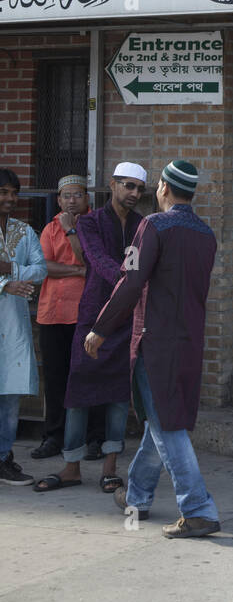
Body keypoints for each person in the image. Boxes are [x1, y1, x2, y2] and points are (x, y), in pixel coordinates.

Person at [84, 160, 220, 540]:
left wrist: (100, 328)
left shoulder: (151, 226)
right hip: (189, 342)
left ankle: (198, 508)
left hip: (154, 342)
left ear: (163, 187)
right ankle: (138, 497)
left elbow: (131, 282)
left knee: (167, 426)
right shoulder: (206, 234)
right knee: (158, 424)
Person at [33, 162, 146, 495]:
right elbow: (95, 259)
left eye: (139, 188)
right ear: (112, 184)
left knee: (117, 394)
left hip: (127, 317)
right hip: (93, 315)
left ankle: (110, 469)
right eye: (128, 186)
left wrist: (131, 291)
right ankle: (71, 467)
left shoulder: (143, 224)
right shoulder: (91, 222)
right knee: (77, 391)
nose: (134, 193)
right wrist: (128, 284)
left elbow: (143, 263)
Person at [33, 174, 101, 460]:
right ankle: (54, 436)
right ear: (58, 200)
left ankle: (95, 437)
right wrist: (76, 272)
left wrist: (72, 231)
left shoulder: (95, 226)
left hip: (84, 314)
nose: (72, 200)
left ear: (87, 199)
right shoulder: (49, 229)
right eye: (66, 196)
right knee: (55, 377)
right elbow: (43, 266)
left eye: (77, 195)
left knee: (89, 376)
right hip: (52, 313)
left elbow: (91, 261)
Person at [0, 167, 47, 487]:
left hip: (13, 325)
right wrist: (5, 285)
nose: (10, 199)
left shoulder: (24, 230)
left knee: (11, 396)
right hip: (9, 308)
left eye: (14, 193)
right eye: (4, 192)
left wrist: (13, 269)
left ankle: (4, 458)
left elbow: (41, 269)